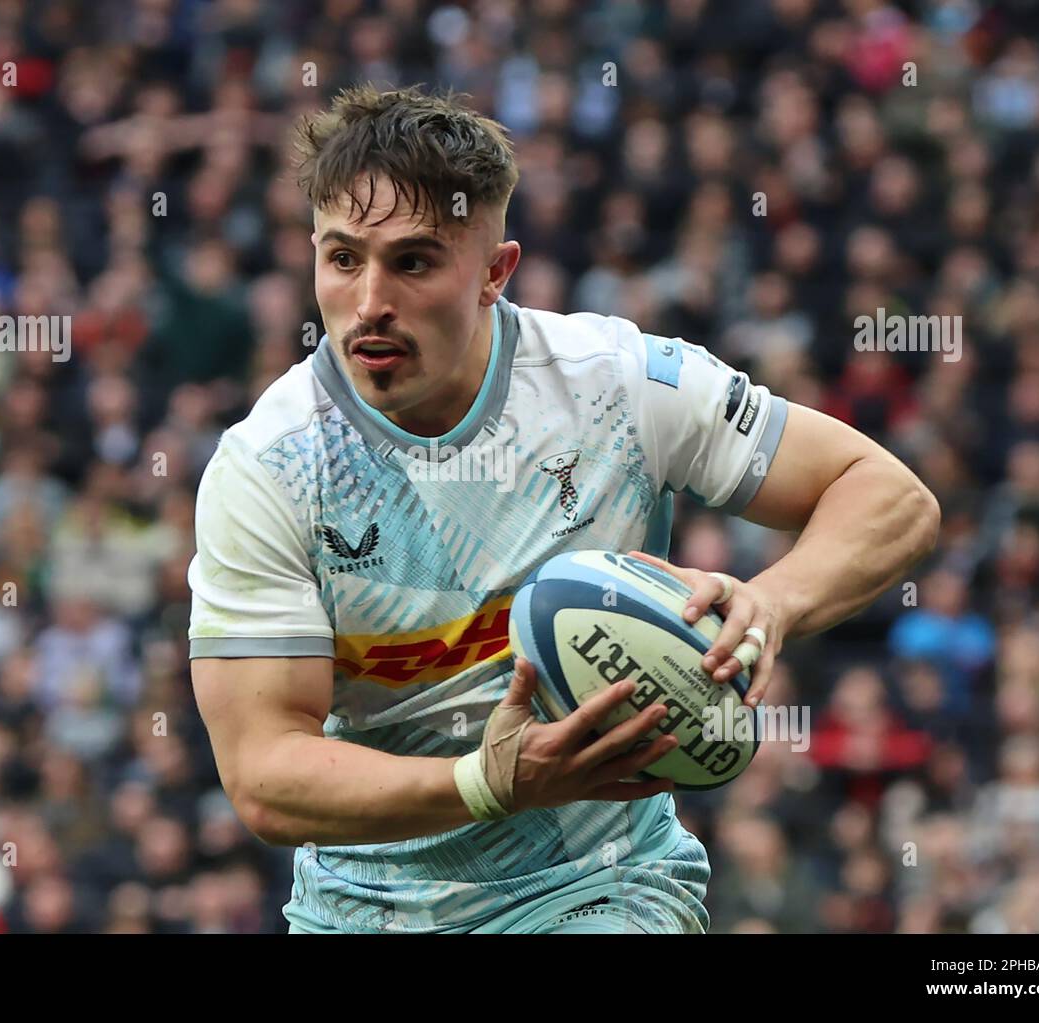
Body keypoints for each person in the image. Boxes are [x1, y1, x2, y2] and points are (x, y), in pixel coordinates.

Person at [187, 84, 941, 934]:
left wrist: (774, 601)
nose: (369, 303)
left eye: (414, 262)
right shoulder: (271, 467)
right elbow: (264, 774)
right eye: (343, 258)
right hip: (365, 911)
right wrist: (488, 781)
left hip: (602, 885)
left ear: (495, 272)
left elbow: (889, 495)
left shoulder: (616, 385)